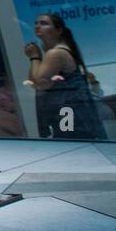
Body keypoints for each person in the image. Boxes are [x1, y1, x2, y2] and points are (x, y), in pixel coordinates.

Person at [23, 12, 106, 140]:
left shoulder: (56, 53)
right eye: (36, 23)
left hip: (69, 115)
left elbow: (39, 84)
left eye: (44, 23)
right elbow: (35, 82)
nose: (37, 26)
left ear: (59, 30)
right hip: (71, 114)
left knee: (72, 146)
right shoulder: (56, 51)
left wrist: (34, 57)